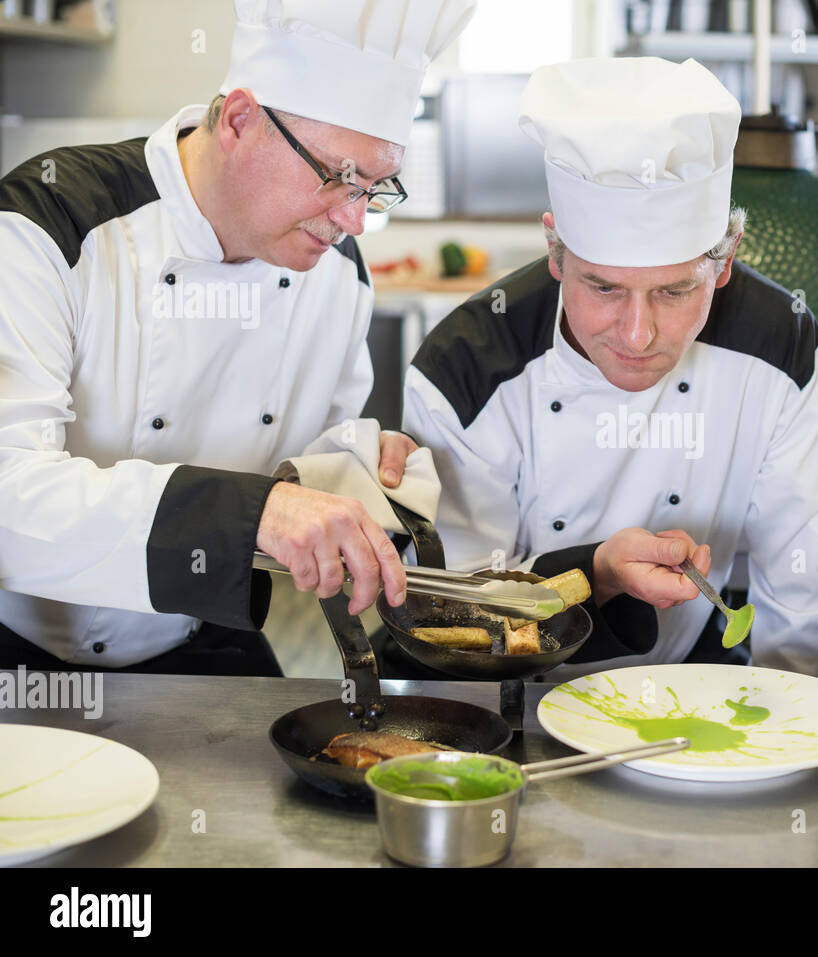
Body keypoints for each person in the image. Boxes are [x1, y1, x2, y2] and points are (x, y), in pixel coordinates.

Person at [0, 0, 476, 676]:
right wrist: (255, 515)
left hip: (201, 633)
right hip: (21, 655)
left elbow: (302, 456)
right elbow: (9, 498)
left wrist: (357, 468)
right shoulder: (49, 225)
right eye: (339, 178)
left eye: (374, 188)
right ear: (240, 120)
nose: (353, 220)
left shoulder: (336, 272)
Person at [396, 57, 818, 679]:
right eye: (604, 289)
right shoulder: (468, 364)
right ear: (556, 251)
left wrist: (785, 739)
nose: (638, 335)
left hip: (693, 680)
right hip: (507, 696)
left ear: (723, 262)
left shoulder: (781, 342)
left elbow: (805, 595)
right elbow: (464, 615)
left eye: (674, 291)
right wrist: (597, 575)